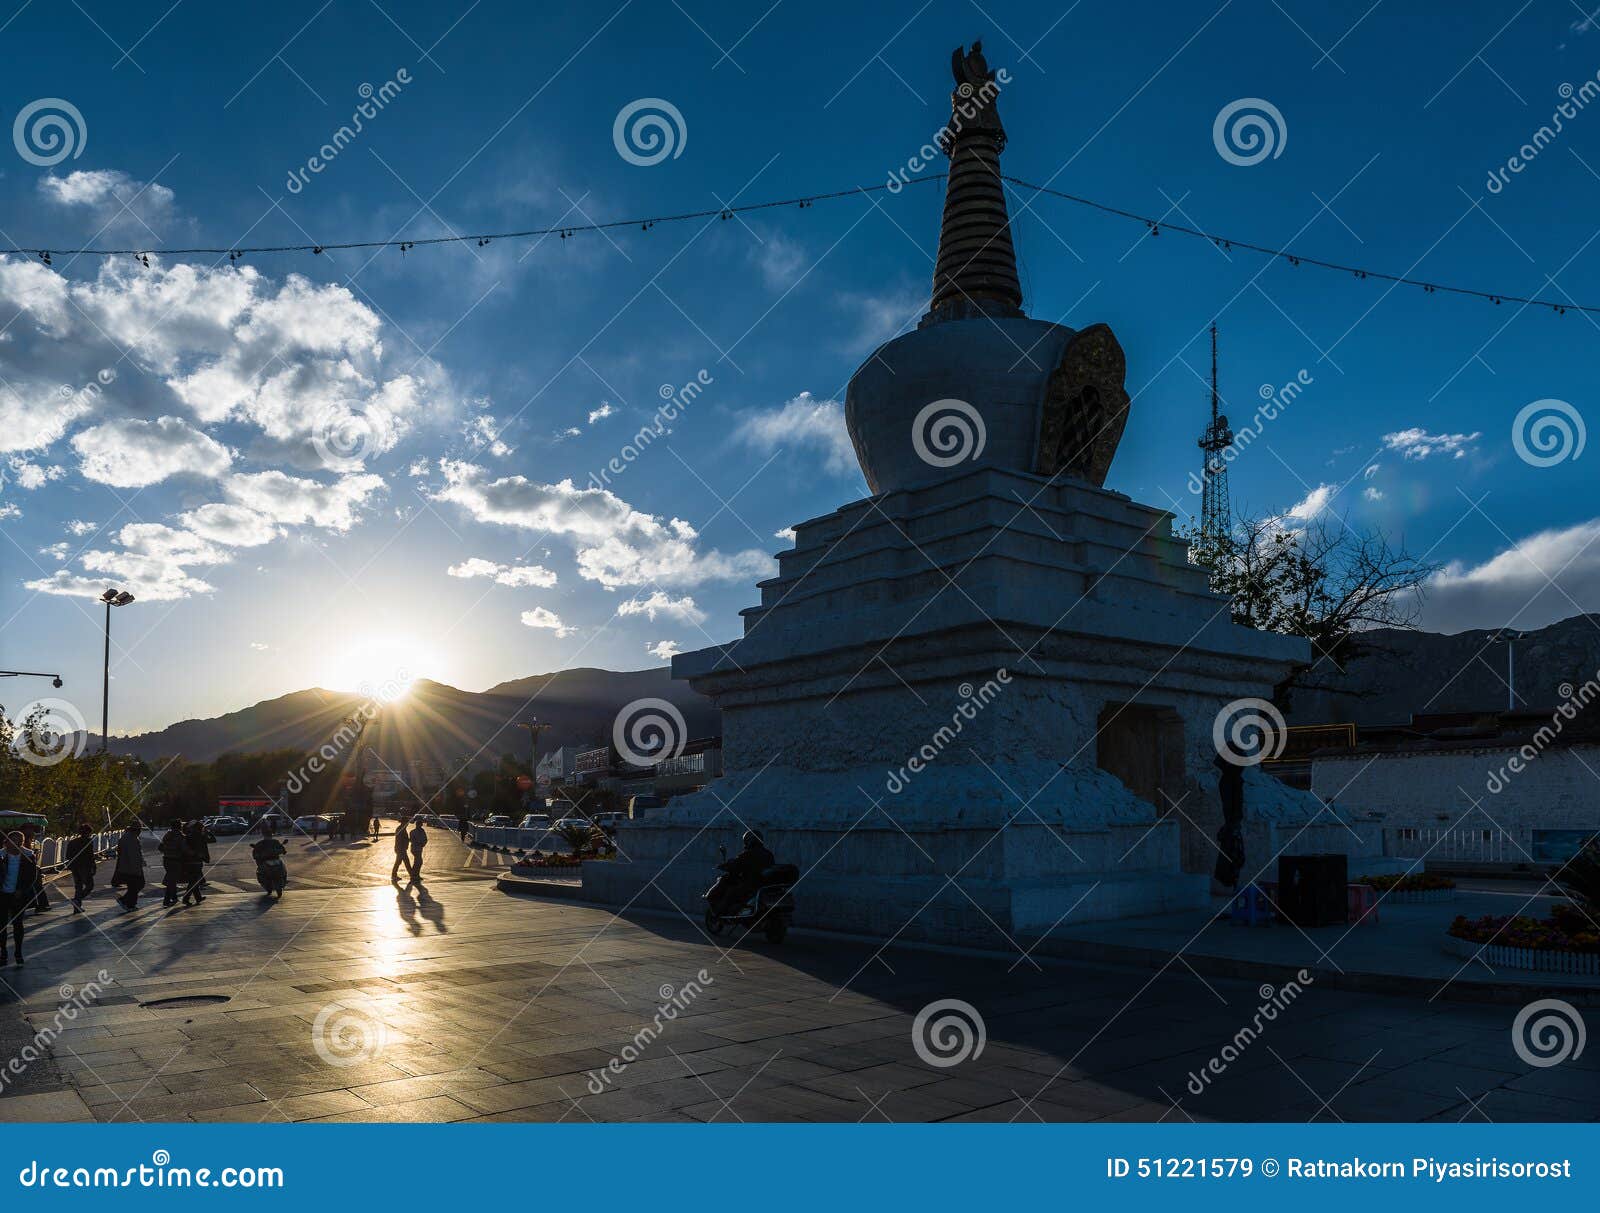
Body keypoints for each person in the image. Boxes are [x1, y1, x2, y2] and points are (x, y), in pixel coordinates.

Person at [708, 830, 775, 915]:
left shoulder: (748, 854)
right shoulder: (768, 854)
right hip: (764, 884)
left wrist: (726, 866)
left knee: (731, 892)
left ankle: (721, 912)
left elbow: (736, 864)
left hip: (751, 884)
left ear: (749, 840)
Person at [0, 831, 38, 964]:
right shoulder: (1, 855)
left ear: (21, 843)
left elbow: (32, 876)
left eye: (18, 840)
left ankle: (18, 952)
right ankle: (3, 952)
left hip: (19, 895)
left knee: (18, 924)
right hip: (2, 894)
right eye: (12, 840)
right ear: (7, 841)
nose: (15, 843)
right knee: (2, 925)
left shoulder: (29, 856)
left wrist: (21, 890)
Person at [1212, 752, 1247, 892]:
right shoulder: (1230, 780)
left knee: (1232, 856)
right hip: (1232, 823)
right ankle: (1232, 882)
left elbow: (1234, 805)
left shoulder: (1232, 780)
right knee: (1232, 856)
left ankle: (1232, 881)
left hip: (1233, 823)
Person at [64, 822, 98, 913]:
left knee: (78, 886)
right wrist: (93, 866)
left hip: (74, 867)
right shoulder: (88, 841)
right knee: (89, 885)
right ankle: (77, 900)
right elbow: (90, 856)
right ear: (88, 832)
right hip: (85, 867)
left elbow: (67, 856)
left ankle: (77, 907)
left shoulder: (72, 842)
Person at [112, 823, 145, 910]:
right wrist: (137, 867)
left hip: (128, 866)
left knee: (134, 886)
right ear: (136, 830)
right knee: (138, 884)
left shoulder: (126, 837)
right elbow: (133, 855)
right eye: (140, 830)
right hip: (132, 867)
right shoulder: (131, 839)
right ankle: (126, 902)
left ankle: (129, 903)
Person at [158, 821, 188, 907]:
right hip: (176, 860)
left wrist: (167, 851)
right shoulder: (180, 836)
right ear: (179, 827)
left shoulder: (167, 835)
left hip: (166, 859)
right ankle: (166, 900)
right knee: (172, 880)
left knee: (172, 879)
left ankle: (174, 897)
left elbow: (160, 847)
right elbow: (184, 849)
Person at [20, 823, 48, 914]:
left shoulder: (30, 840)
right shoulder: (23, 840)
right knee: (35, 886)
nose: (32, 831)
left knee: (36, 886)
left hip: (32, 866)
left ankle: (40, 904)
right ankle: (39, 904)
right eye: (30, 829)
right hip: (26, 867)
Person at [182, 819, 210, 906]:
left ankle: (198, 897)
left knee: (194, 880)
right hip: (196, 861)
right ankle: (186, 898)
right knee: (193, 881)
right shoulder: (200, 836)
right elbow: (213, 839)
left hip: (188, 860)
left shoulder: (188, 836)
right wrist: (207, 832)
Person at [390, 816, 412, 883]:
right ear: (404, 822)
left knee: (398, 862)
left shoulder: (402, 828)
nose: (408, 824)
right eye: (407, 822)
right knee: (406, 862)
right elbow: (400, 839)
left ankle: (394, 875)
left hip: (400, 848)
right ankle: (412, 875)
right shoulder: (401, 829)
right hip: (401, 849)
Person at [408, 818, 429, 883]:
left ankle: (415, 874)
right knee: (418, 861)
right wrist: (418, 843)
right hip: (415, 848)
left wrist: (423, 844)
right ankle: (414, 874)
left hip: (419, 848)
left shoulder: (422, 831)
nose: (420, 826)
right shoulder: (413, 832)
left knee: (418, 862)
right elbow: (411, 840)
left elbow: (425, 839)